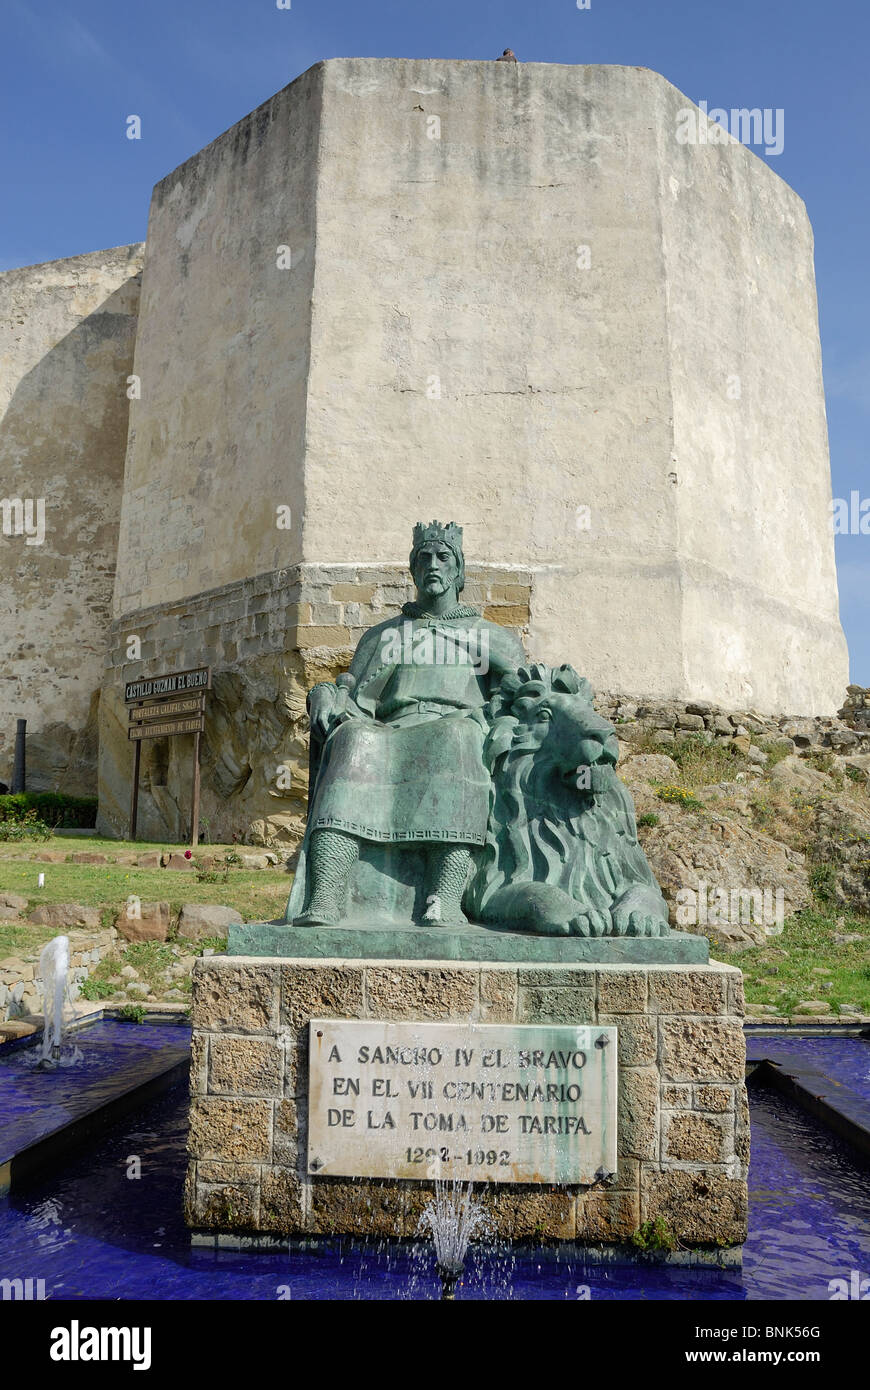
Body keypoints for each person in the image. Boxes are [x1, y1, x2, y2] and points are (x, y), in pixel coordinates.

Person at [289, 521, 524, 926]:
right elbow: (352, 690)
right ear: (413, 571)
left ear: (458, 569)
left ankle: (444, 897)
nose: (433, 564)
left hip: (456, 724)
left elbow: (523, 690)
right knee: (352, 740)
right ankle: (326, 897)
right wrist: (326, 694)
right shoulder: (383, 636)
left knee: (456, 737)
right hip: (389, 730)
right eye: (423, 558)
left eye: (443, 556)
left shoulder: (489, 636)